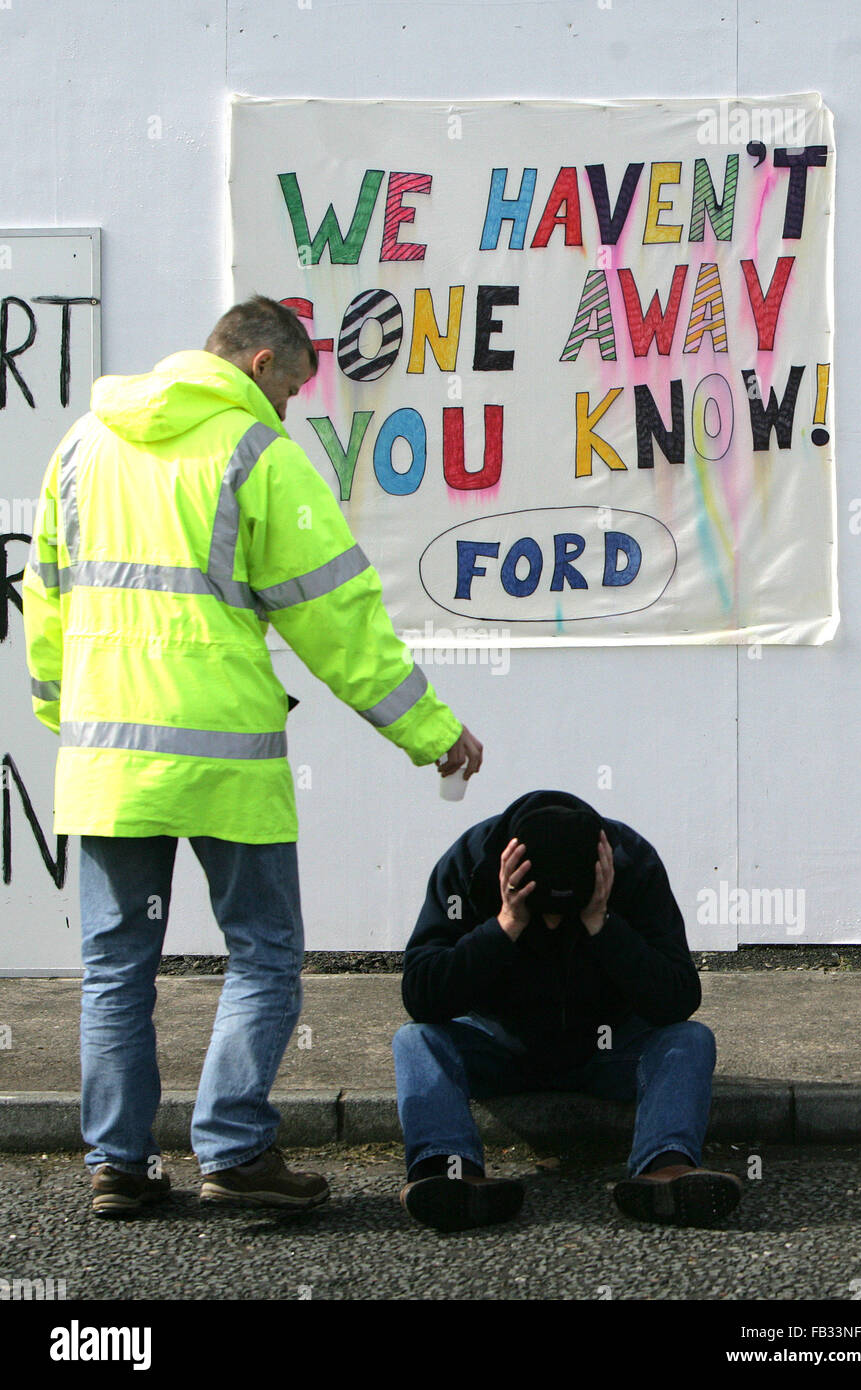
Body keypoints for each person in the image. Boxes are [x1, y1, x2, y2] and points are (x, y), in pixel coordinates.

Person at [23, 294, 482, 1217]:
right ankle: (232, 1151)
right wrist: (429, 732)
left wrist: (64, 720)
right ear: (263, 361)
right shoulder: (255, 454)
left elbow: (47, 598)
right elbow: (336, 619)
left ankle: (119, 1165)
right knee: (264, 953)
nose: (290, 410)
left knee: (117, 965)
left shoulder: (82, 447)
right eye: (294, 389)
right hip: (225, 758)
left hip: (110, 758)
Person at [392, 789, 740, 1232]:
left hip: (606, 1050)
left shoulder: (633, 864)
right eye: (545, 915)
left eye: (565, 914)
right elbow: (422, 997)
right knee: (415, 1040)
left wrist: (602, 925)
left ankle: (666, 1167)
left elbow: (676, 999)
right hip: (500, 1047)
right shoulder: (469, 864)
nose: (554, 925)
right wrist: (505, 927)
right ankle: (448, 1174)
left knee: (691, 1038)